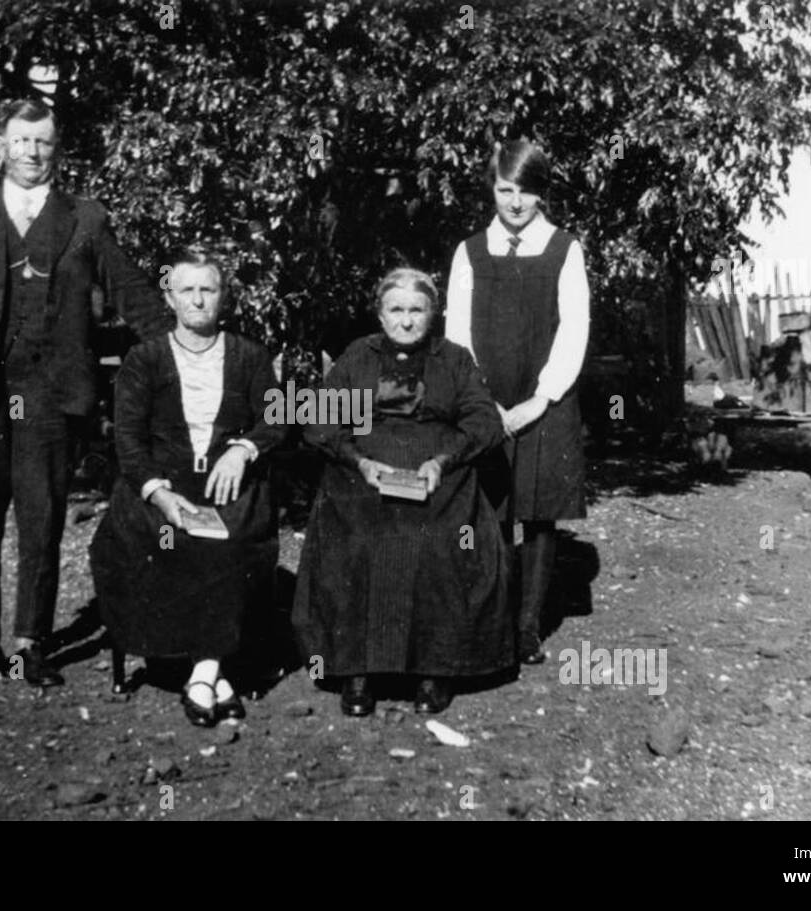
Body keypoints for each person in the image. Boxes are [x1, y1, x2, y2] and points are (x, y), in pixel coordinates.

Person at [0, 98, 166, 693]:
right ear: (0, 147)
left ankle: (31, 645)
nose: (32, 153)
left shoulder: (86, 219)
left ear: (58, 149)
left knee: (42, 521)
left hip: (53, 396)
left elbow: (130, 291)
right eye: (20, 141)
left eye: (44, 142)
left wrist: (182, 348)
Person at [294, 268, 509, 717]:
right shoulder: (359, 356)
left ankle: (435, 669)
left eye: (417, 310)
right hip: (367, 471)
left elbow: (483, 422)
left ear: (433, 314)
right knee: (358, 536)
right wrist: (360, 461)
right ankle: (357, 670)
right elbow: (319, 423)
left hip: (438, 472)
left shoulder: (453, 359)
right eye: (396, 310)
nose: (406, 321)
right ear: (380, 313)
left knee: (437, 540)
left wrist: (443, 461)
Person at [90, 250, 285, 728]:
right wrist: (157, 491)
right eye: (187, 291)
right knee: (162, 538)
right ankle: (215, 676)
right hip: (162, 486)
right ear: (171, 299)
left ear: (223, 299)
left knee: (229, 539)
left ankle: (202, 672)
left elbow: (276, 418)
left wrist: (243, 450)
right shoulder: (145, 359)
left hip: (227, 484)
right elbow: (128, 440)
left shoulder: (249, 356)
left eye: (209, 290)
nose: (198, 300)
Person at [445, 139, 590, 666]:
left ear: (541, 194)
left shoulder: (563, 249)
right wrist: (479, 399)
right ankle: (498, 618)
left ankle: (529, 625)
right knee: (495, 507)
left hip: (547, 399)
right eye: (506, 189)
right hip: (486, 398)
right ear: (492, 188)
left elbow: (575, 329)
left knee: (540, 510)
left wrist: (541, 399)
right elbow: (457, 332)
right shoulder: (470, 251)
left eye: (527, 191)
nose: (515, 202)